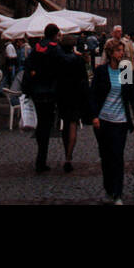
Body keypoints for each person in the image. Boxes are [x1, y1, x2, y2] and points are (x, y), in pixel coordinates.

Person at [89, 36, 134, 204]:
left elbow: (131, 96)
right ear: (110, 53)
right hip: (103, 121)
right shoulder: (102, 71)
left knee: (118, 157)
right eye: (118, 50)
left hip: (120, 121)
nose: (122, 53)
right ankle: (109, 187)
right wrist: (94, 116)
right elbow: (94, 95)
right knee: (106, 157)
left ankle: (117, 193)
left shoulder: (125, 69)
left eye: (122, 50)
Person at [23, 23, 63, 173]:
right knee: (47, 124)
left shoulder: (37, 46)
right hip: (50, 92)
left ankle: (40, 158)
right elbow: (60, 68)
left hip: (36, 91)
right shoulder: (55, 48)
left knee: (41, 124)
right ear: (55, 34)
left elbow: (28, 64)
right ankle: (41, 161)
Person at [57, 37, 91, 173]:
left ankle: (66, 152)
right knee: (73, 124)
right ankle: (68, 157)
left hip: (62, 95)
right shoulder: (78, 60)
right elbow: (84, 78)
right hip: (76, 95)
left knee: (65, 123)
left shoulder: (58, 60)